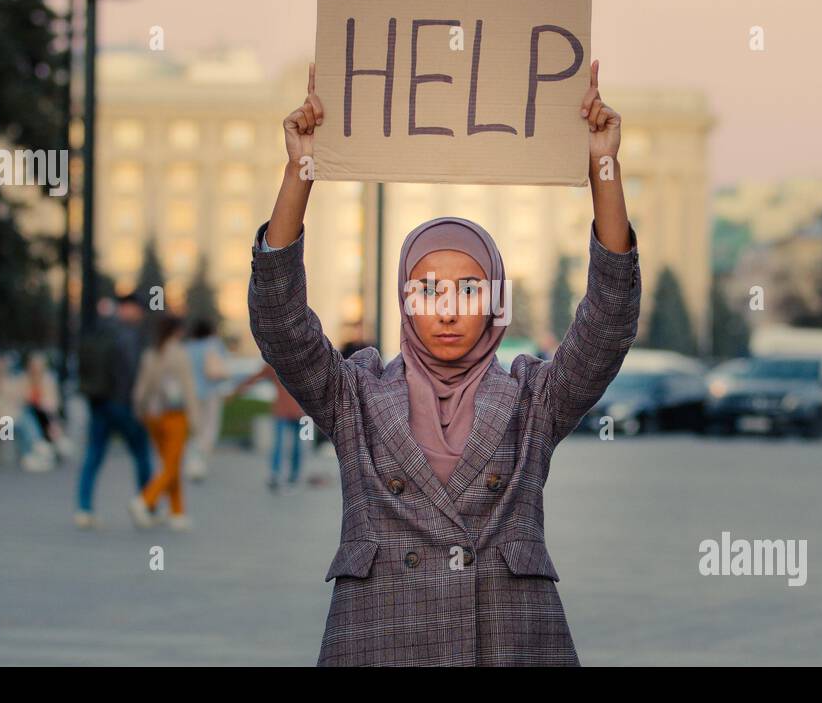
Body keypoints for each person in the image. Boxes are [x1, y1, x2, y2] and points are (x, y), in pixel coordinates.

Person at [248, 61, 639, 666]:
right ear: (404, 298)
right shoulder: (354, 397)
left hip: (506, 642)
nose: (449, 309)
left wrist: (602, 169)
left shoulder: (533, 399)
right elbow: (281, 325)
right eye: (428, 289)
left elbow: (607, 326)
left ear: (496, 299)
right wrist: (300, 169)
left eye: (471, 289)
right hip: (383, 638)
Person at [74, 293, 154, 529]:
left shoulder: (100, 330)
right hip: (122, 404)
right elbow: (131, 372)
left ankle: (84, 508)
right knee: (141, 452)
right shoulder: (129, 335)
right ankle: (146, 504)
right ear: (130, 309)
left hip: (98, 401)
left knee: (94, 455)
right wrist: (137, 403)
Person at [129, 315, 200, 530]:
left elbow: (142, 389)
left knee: (171, 464)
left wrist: (140, 411)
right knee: (171, 466)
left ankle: (177, 512)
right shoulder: (179, 354)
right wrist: (195, 419)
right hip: (174, 415)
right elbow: (188, 388)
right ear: (176, 330)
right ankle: (144, 500)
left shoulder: (151, 354)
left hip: (153, 416)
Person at [235, 362, 307, 491]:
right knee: (295, 444)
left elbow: (256, 377)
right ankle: (290, 475)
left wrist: (237, 390)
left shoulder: (277, 360)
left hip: (295, 412)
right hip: (298, 412)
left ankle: (281, 474)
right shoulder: (298, 361)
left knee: (286, 444)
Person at [0, 354, 53, 472]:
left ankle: (30, 454)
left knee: (23, 420)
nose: (3, 366)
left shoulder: (12, 380)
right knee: (22, 420)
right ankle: (35, 446)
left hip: (11, 417)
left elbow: (23, 398)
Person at [183, 319, 233, 482]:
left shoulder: (188, 347)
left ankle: (192, 463)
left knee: (195, 429)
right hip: (210, 392)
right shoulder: (214, 344)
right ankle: (200, 463)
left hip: (191, 395)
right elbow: (222, 367)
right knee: (209, 429)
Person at [23, 351, 73, 460]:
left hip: (44, 414)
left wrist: (43, 404)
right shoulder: (23, 380)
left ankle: (53, 440)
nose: (36, 369)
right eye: (34, 366)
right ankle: (47, 443)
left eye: (39, 366)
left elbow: (54, 402)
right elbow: (21, 400)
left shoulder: (48, 380)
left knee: (46, 412)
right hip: (30, 414)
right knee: (28, 412)